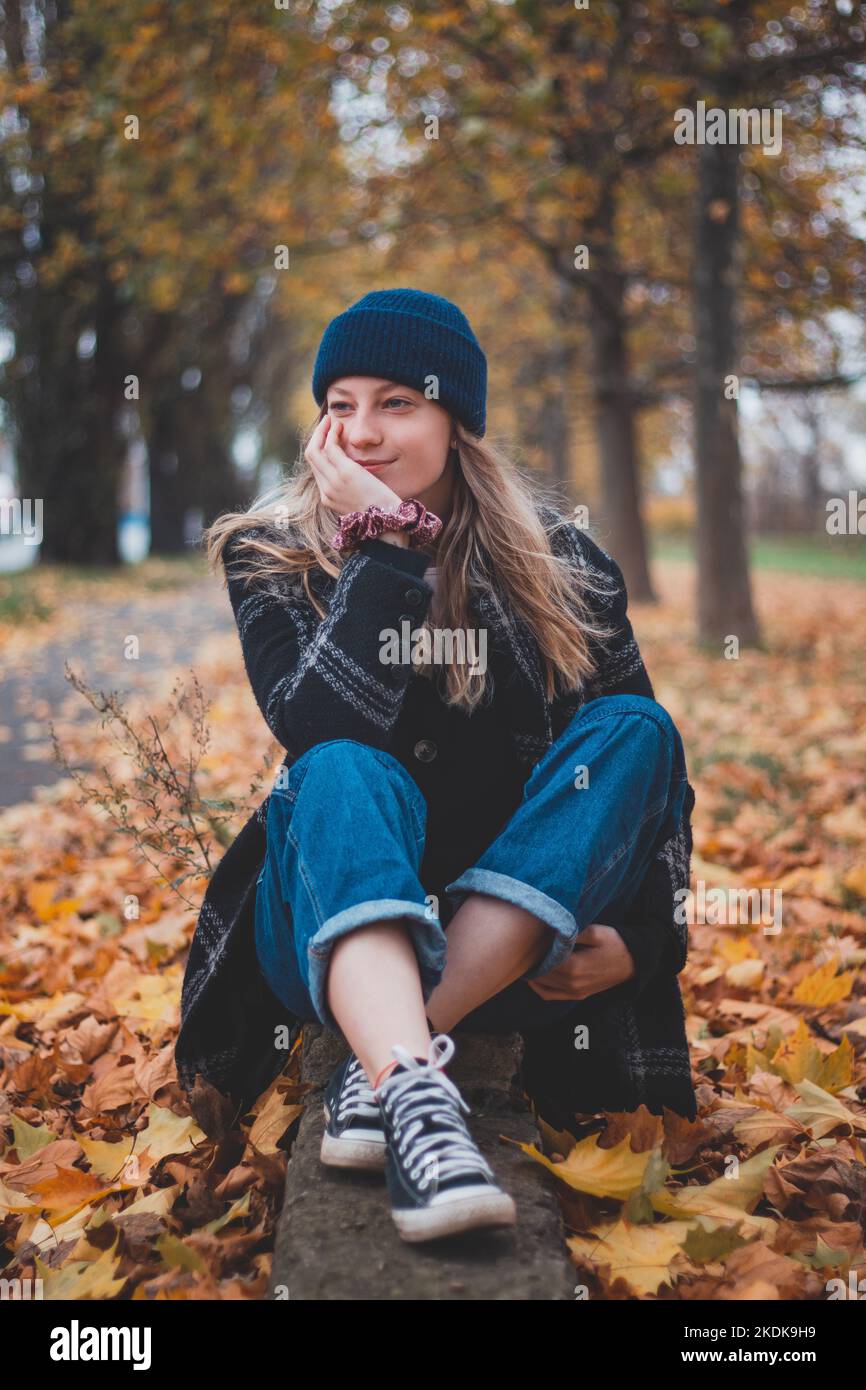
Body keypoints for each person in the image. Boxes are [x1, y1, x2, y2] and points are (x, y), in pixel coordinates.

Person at [176, 287, 696, 1246]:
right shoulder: (272, 557)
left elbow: (650, 787)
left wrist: (642, 939)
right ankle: (412, 1080)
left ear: (458, 421)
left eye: (397, 403)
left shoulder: (562, 563)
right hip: (334, 938)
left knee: (635, 728)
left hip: (519, 943)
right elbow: (320, 726)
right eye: (340, 405)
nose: (362, 433)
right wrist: (384, 549)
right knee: (337, 766)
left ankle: (393, 1069)